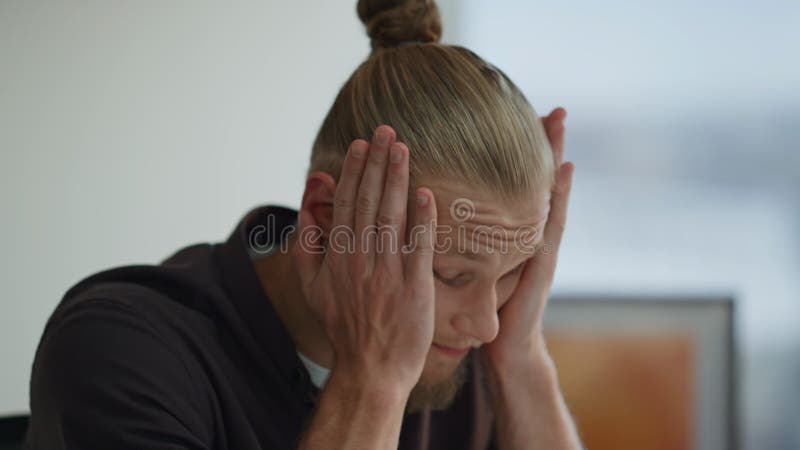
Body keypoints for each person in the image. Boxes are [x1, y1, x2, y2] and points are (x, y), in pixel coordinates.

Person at [25, 0, 584, 448]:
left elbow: (498, 334)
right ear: (322, 220)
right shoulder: (119, 354)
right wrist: (371, 386)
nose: (487, 323)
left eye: (513, 270)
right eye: (450, 275)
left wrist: (523, 359)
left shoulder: (464, 355)